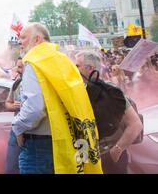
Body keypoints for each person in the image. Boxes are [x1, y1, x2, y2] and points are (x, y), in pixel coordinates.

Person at [12, 23, 102, 174]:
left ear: (37, 39)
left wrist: (17, 126)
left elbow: (34, 108)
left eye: (23, 37)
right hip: (67, 138)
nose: (19, 41)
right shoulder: (64, 60)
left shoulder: (33, 62)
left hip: (38, 146)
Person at [75, 51, 143, 174]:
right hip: (90, 158)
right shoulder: (80, 91)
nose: (74, 69)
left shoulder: (110, 91)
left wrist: (116, 151)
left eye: (77, 66)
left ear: (90, 68)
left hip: (110, 159)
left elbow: (135, 124)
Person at [4, 57, 23, 174]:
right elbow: (7, 103)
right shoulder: (16, 84)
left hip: (32, 134)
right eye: (17, 67)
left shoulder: (37, 84)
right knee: (11, 168)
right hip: (15, 132)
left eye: (21, 67)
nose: (18, 70)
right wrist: (13, 106)